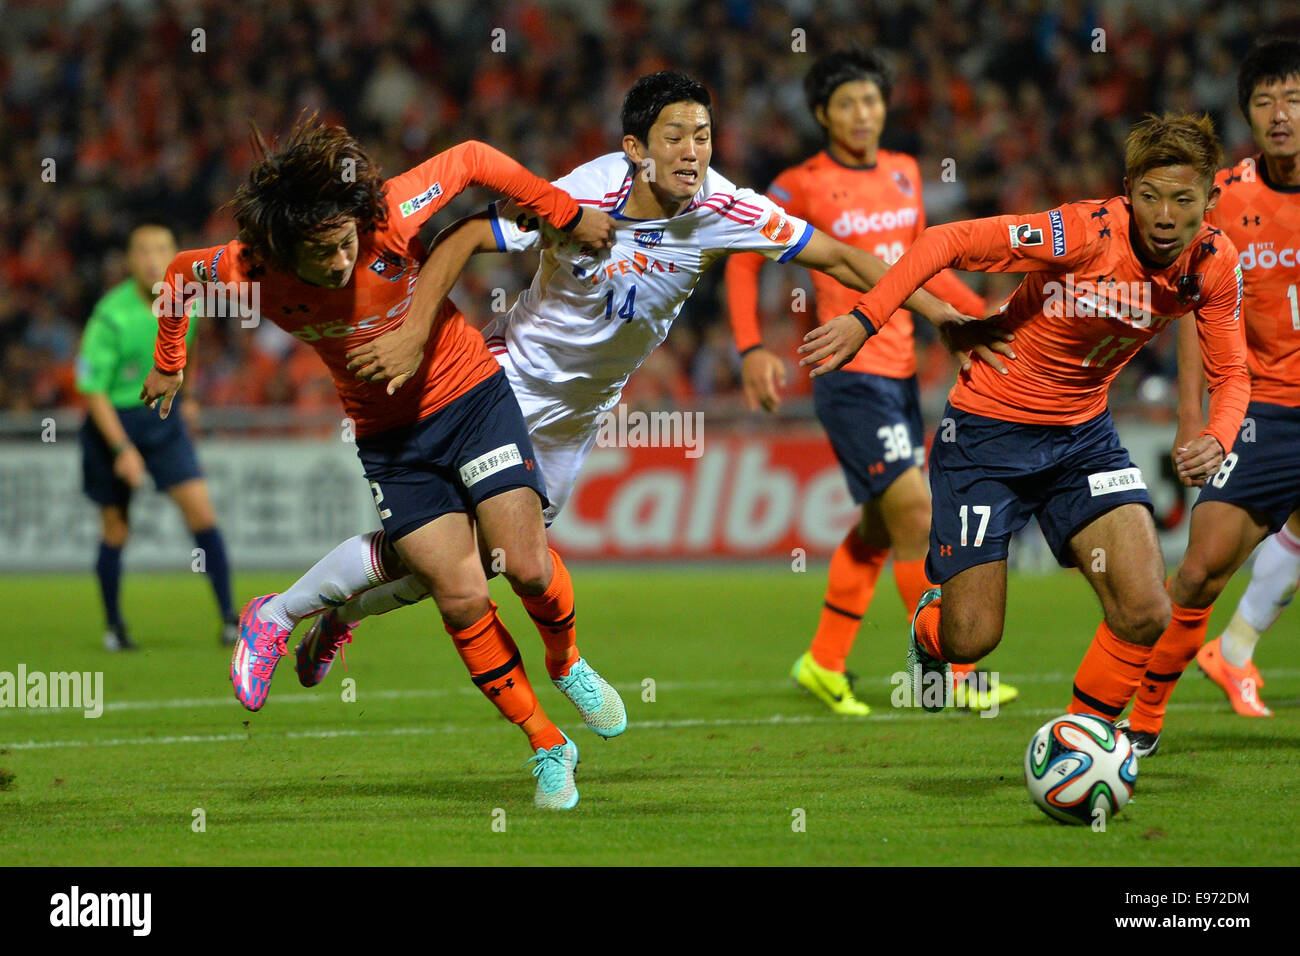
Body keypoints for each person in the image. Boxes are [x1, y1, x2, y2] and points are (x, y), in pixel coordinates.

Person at [254, 72, 1001, 685]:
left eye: (703, 137)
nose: (692, 152)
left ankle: (339, 618)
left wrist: (937, 313)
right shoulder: (584, 195)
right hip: (499, 389)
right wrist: (417, 332)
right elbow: (472, 233)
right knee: (470, 558)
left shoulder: (725, 208)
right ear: (636, 149)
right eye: (675, 137)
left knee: (458, 568)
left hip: (574, 423)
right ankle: (283, 613)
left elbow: (840, 257)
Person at [141, 114, 620, 810]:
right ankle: (547, 745)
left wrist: (566, 212)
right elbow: (181, 275)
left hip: (471, 401)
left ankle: (566, 661)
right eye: (324, 252)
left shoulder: (389, 213)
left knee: (526, 565)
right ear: (282, 249)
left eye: (345, 244)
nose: (341, 261)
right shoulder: (250, 268)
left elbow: (475, 157)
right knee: (459, 594)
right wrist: (169, 360)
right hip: (390, 440)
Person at [798, 113, 1250, 724]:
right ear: (1127, 189)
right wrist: (865, 319)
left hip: (1083, 440)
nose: (1165, 215)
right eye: (1149, 197)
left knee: (1146, 609)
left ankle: (1084, 738)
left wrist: (1218, 436)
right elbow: (942, 242)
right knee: (971, 638)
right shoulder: (1081, 232)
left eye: (1182, 199)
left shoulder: (1214, 264)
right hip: (987, 434)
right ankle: (929, 630)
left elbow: (1233, 375)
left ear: (1210, 199)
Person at [725, 49, 1019, 716]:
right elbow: (744, 261)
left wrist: (974, 315)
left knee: (881, 527)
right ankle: (944, 668)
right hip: (848, 370)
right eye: (849, 103)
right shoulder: (796, 184)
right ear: (823, 113)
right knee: (917, 514)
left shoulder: (907, 172)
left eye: (872, 100)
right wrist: (749, 349)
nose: (864, 113)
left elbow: (918, 264)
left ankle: (824, 662)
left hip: (901, 372)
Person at [1111, 39, 1300, 754]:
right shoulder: (1229, 198)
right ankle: (1147, 712)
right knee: (1198, 570)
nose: (1280, 115)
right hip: (1264, 410)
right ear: (1249, 114)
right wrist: (1194, 414)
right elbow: (1197, 307)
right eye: (1265, 102)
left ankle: (1236, 652)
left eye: (1294, 100)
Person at [77, 221, 237, 651]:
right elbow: (92, 391)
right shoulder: (110, 314)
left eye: (161, 249)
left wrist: (187, 396)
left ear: (174, 256)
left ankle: (230, 621)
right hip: (113, 423)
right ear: (129, 260)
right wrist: (122, 449)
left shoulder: (186, 302)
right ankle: (114, 627)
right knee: (116, 530)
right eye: (143, 251)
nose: (152, 259)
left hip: (163, 420)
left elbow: (189, 349)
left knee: (202, 515)